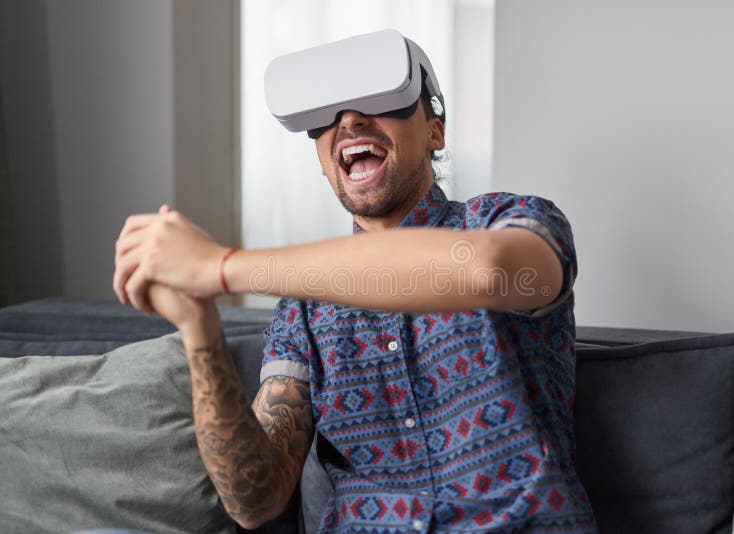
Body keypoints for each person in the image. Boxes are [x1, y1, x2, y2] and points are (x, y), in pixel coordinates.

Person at [113, 31, 597, 533]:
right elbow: (253, 500)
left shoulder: (509, 221)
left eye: (377, 100)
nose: (348, 121)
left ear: (436, 131)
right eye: (327, 116)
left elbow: (488, 270)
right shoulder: (303, 308)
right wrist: (199, 326)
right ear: (323, 161)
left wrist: (221, 267)